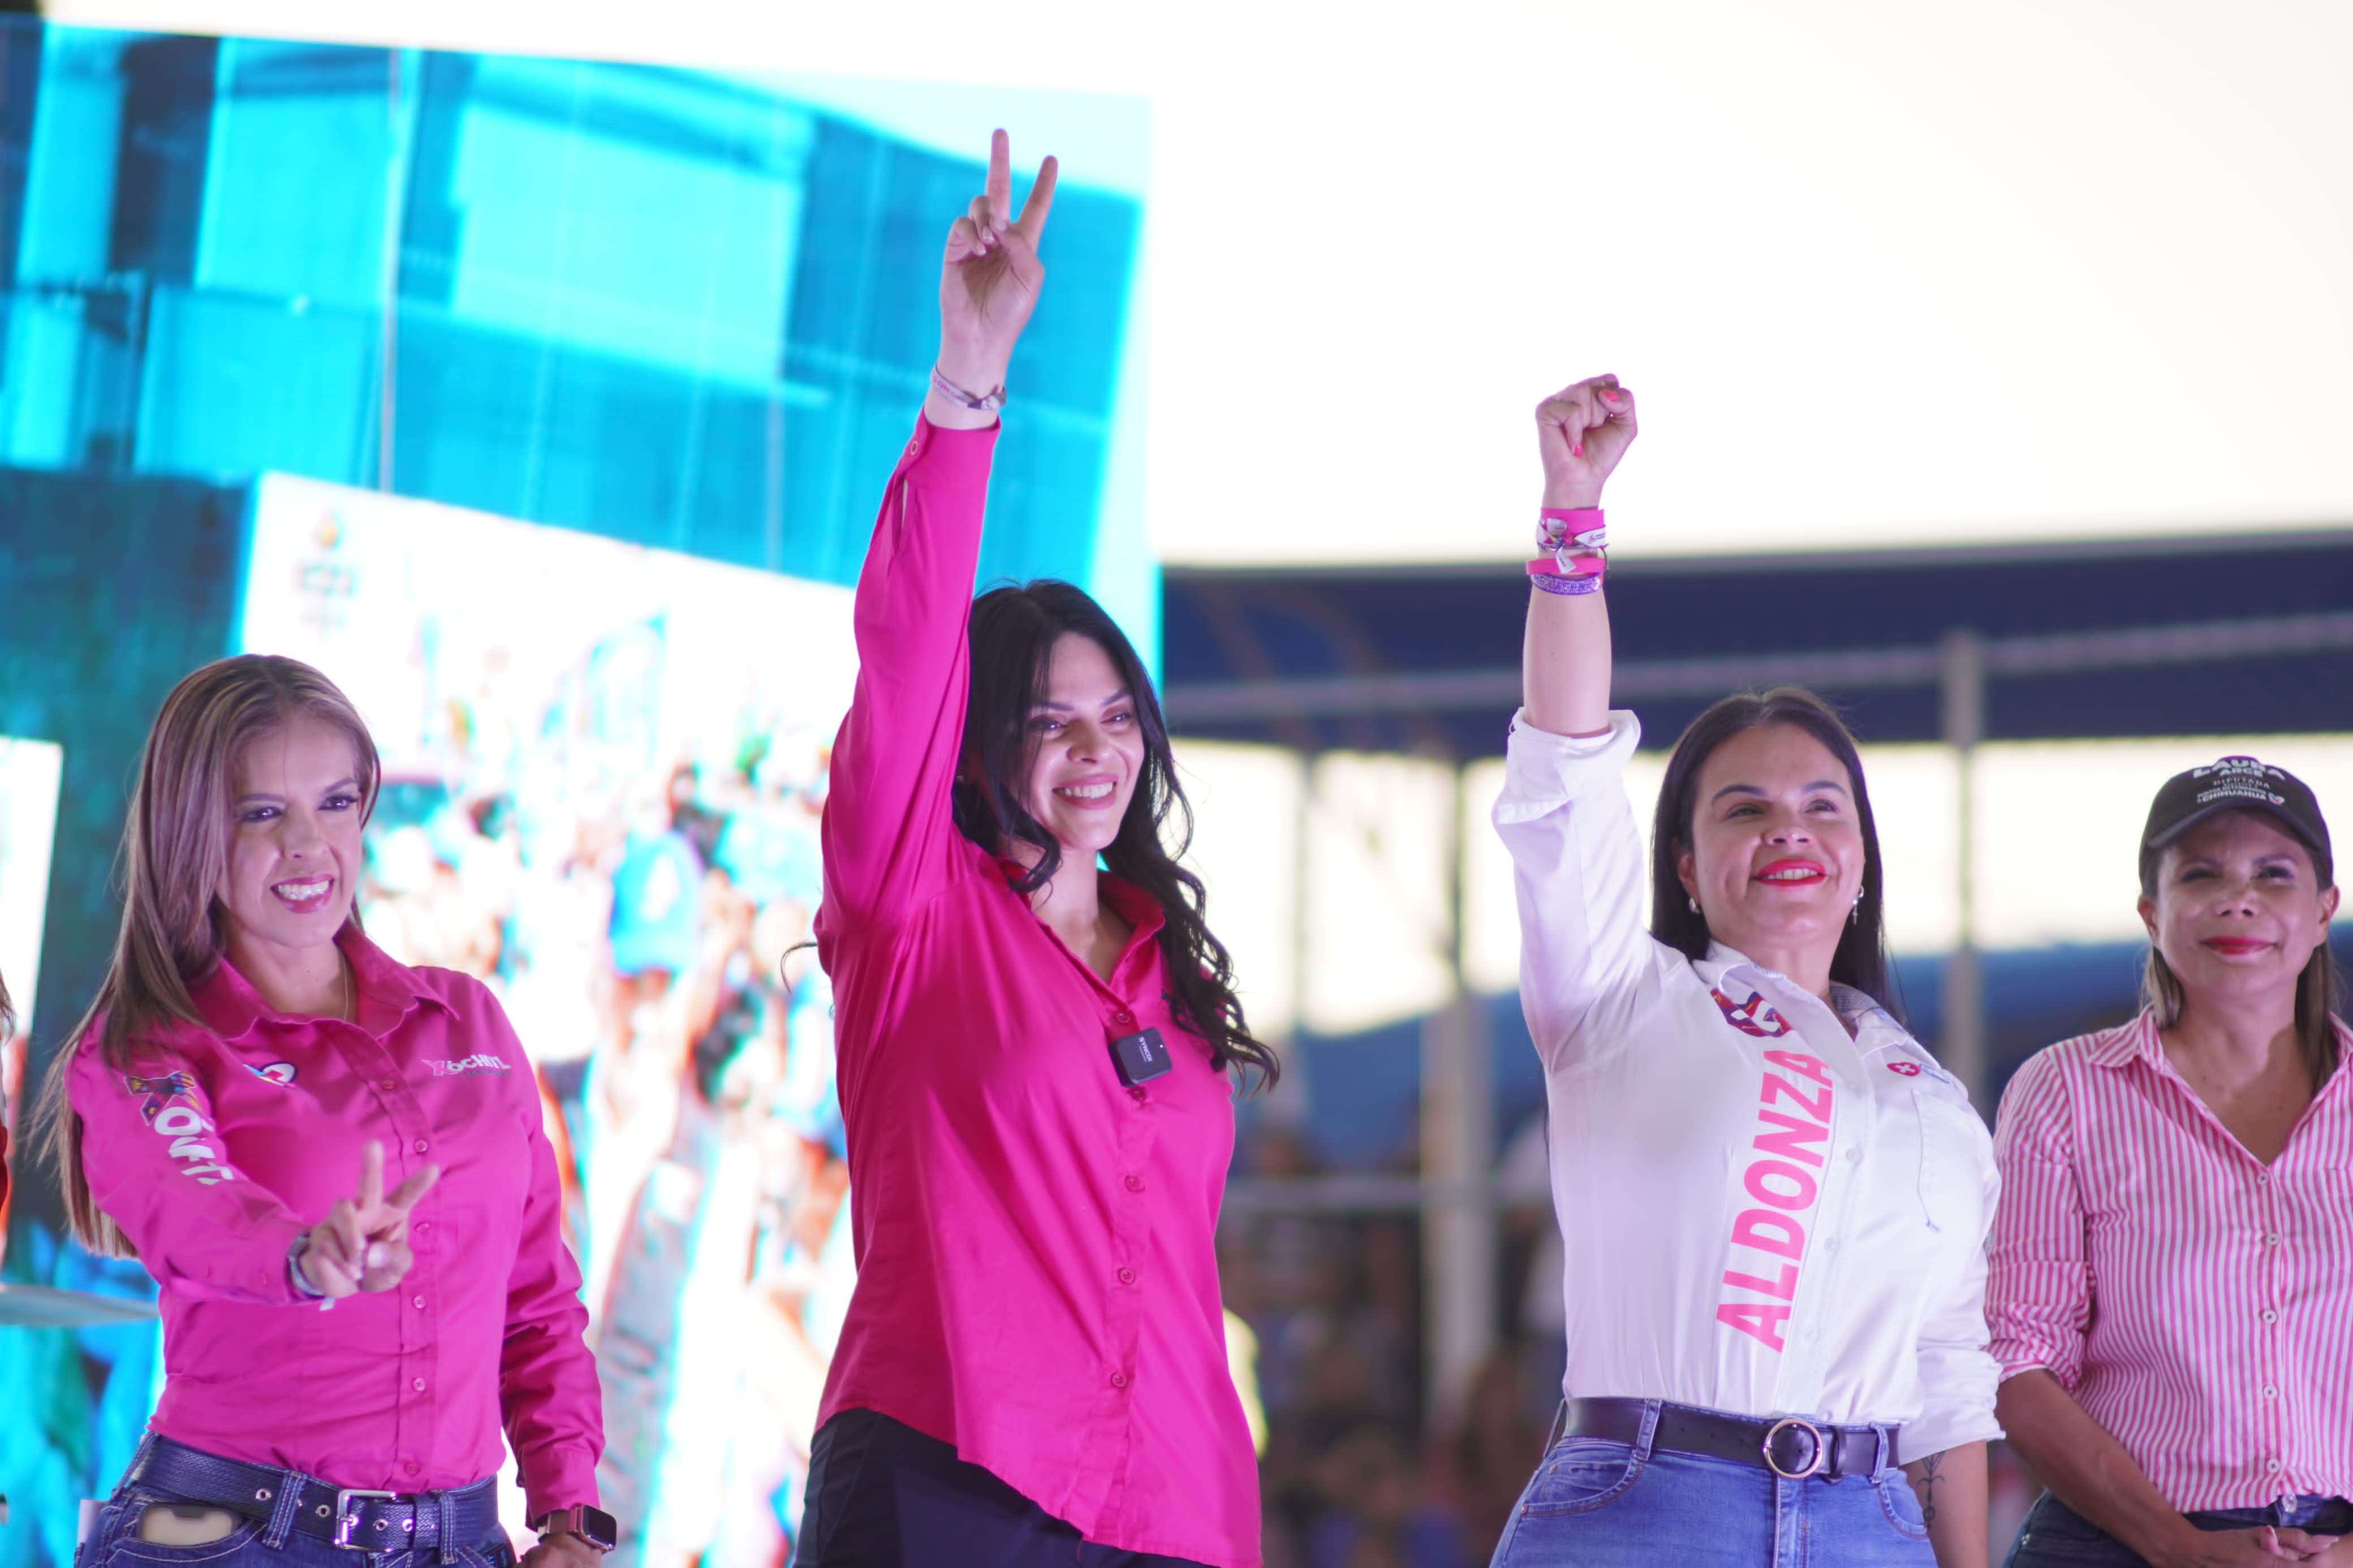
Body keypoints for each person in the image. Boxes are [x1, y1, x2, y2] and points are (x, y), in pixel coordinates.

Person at [793, 131, 1275, 1568]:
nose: (1095, 751)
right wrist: (969, 377)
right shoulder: (909, 911)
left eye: (1118, 717)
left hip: (1176, 1498)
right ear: (980, 738)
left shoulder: (1162, 967)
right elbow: (907, 644)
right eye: (1048, 719)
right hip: (948, 1476)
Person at [1486, 375, 1999, 1566]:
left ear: (1861, 864)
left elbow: (1946, 1372)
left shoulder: (1929, 1100)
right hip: (1642, 1507)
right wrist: (1571, 526)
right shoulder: (1620, 996)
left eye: (1824, 807)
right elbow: (1562, 776)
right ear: (1684, 859)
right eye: (1745, 806)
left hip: (1873, 1527)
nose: (1788, 829)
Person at [36, 654, 610, 1564]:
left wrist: (575, 1517)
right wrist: (306, 1255)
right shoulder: (147, 1048)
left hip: (461, 1541)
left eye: (335, 803)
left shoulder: (470, 1018)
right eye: (263, 813)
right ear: (192, 834)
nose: (309, 845)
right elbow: (196, 1206)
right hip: (228, 1536)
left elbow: (538, 1302)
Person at [1988, 757, 2352, 1568]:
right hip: (2117, 1543)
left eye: (2274, 873)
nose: (2239, 897)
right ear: (2153, 913)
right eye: (2202, 872)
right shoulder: (2067, 1092)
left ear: (2324, 911)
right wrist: (2179, 1549)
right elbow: (2018, 1361)